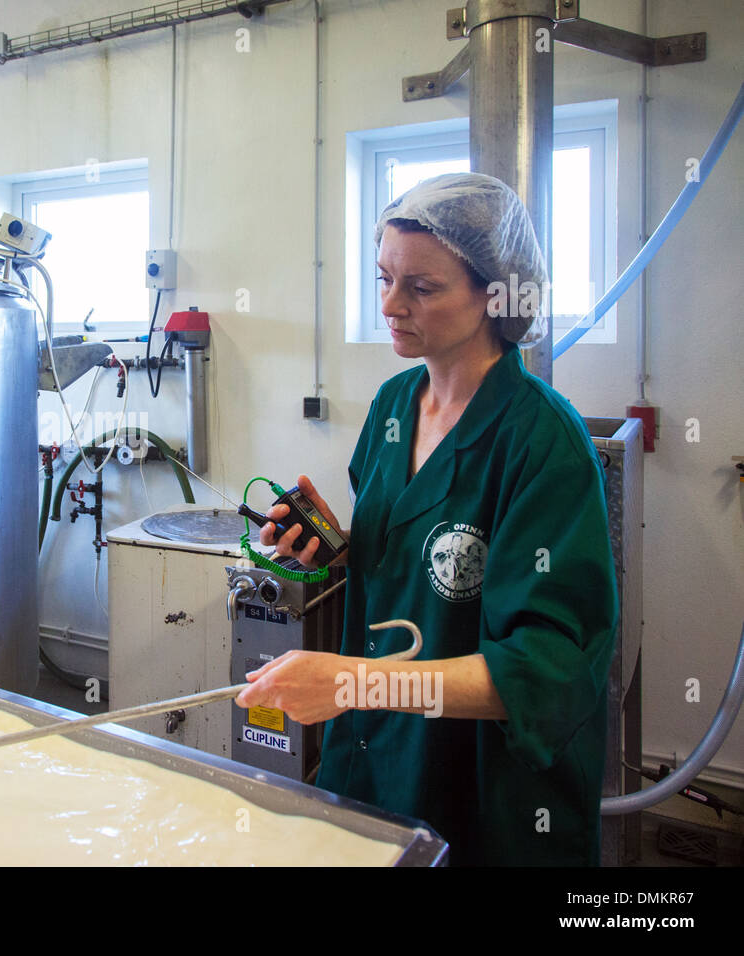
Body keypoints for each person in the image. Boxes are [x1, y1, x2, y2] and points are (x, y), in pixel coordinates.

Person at [236, 172, 619, 866]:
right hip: (381, 763)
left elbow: (547, 672)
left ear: (495, 294)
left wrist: (354, 682)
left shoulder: (542, 443)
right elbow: (413, 565)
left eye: (422, 288)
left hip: (485, 791)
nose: (390, 305)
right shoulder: (392, 407)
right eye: (383, 278)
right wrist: (333, 549)